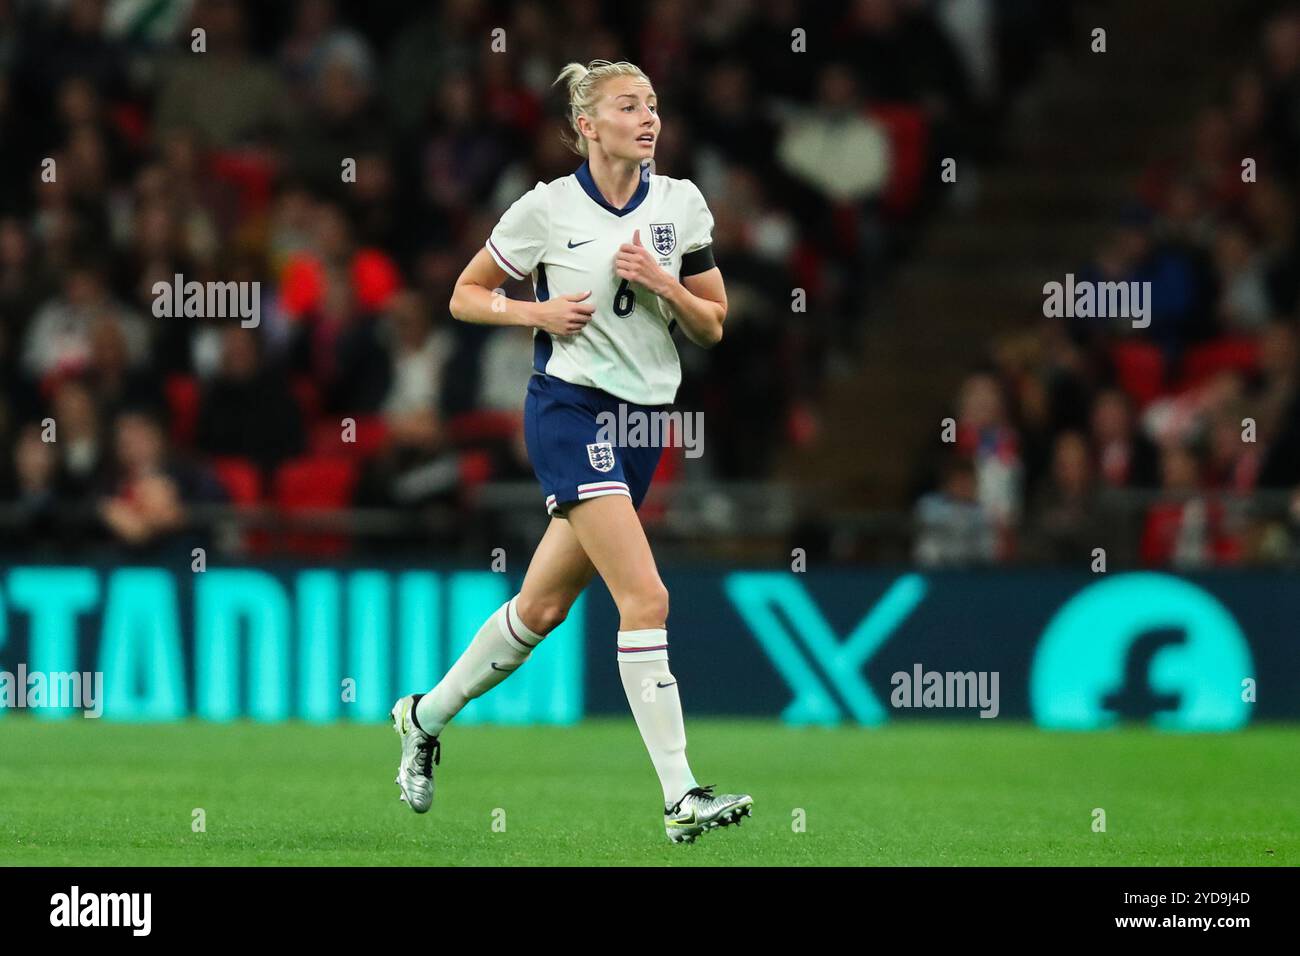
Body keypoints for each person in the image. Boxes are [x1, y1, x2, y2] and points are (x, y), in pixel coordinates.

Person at [389, 60, 751, 843]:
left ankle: (423, 717)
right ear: (588, 125)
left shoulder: (680, 204)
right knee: (646, 597)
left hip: (644, 423)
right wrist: (537, 312)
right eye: (628, 105)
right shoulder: (547, 208)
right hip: (570, 410)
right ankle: (681, 795)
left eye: (653, 104)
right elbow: (463, 294)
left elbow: (714, 323)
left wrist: (666, 285)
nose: (648, 118)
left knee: (542, 609)